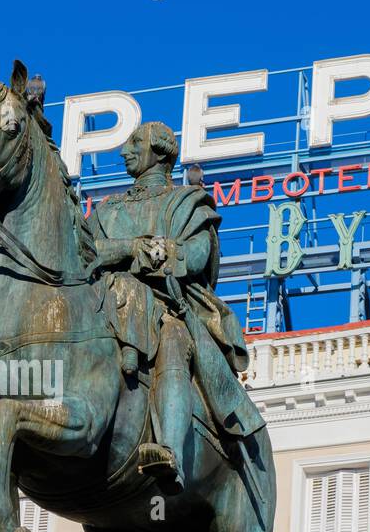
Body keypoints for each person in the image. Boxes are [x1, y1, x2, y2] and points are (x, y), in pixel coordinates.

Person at [90, 121, 265, 493]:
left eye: (135, 143)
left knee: (172, 338)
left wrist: (129, 253)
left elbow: (195, 257)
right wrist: (133, 248)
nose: (125, 152)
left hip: (168, 304)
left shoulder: (188, 203)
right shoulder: (105, 211)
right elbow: (82, 256)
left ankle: (169, 450)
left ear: (160, 151)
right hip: (106, 302)